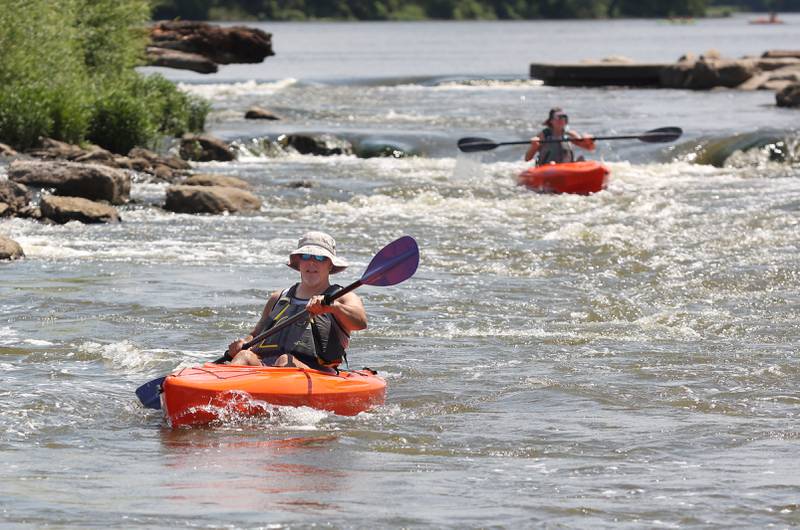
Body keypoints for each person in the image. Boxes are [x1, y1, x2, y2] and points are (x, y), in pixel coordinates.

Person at [227, 231, 367, 373]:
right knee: (244, 355)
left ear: (330, 265)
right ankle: (221, 392)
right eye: (306, 256)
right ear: (299, 262)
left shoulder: (342, 297)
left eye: (319, 257)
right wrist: (243, 343)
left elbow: (360, 323)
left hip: (317, 373)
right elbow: (256, 334)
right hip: (266, 368)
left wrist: (333, 307)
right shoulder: (279, 297)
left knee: (285, 359)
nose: (311, 262)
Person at [525, 107, 596, 166]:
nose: (561, 120)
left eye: (564, 117)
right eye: (558, 117)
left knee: (581, 159)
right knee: (552, 164)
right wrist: (534, 146)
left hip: (567, 167)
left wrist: (589, 142)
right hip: (548, 167)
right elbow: (527, 158)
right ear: (551, 121)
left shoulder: (570, 135)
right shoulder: (544, 135)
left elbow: (590, 148)